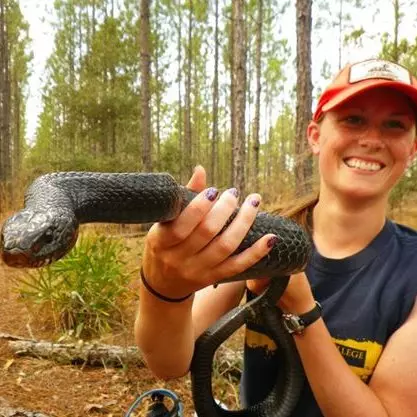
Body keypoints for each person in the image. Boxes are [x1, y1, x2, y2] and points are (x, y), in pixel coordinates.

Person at [135, 58, 417, 417]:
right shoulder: (258, 236)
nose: (372, 140)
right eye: (354, 119)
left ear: (412, 149)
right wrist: (163, 289)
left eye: (395, 125)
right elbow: (168, 361)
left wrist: (301, 310)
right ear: (315, 136)